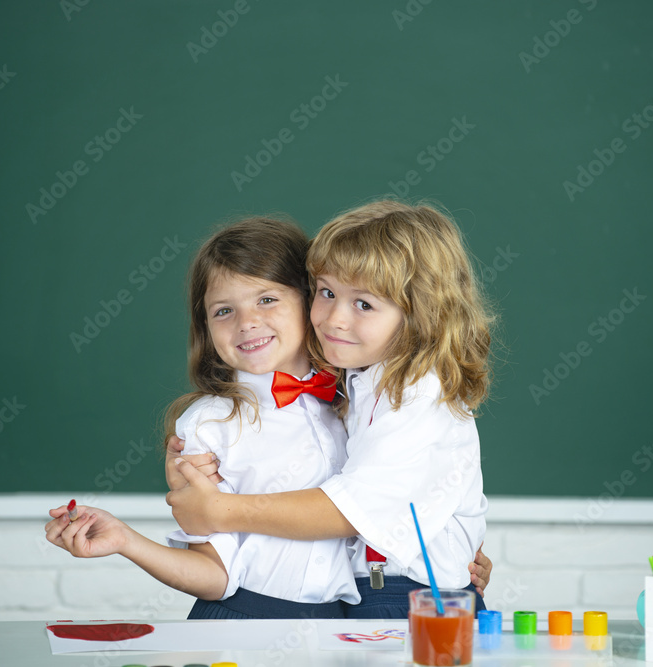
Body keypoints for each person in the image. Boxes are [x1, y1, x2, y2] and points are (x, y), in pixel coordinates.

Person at [167, 199, 495, 618]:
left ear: (420, 314)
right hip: (360, 596)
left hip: (408, 597)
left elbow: (350, 508)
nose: (333, 318)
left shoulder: (420, 392)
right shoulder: (352, 382)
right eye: (326, 292)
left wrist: (218, 510)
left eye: (364, 304)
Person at [45, 217, 359, 619]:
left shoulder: (353, 401)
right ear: (206, 327)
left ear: (311, 299)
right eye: (224, 310)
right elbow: (214, 573)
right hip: (245, 622)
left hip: (336, 624)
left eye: (266, 299)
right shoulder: (208, 426)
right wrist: (125, 539)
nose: (247, 322)